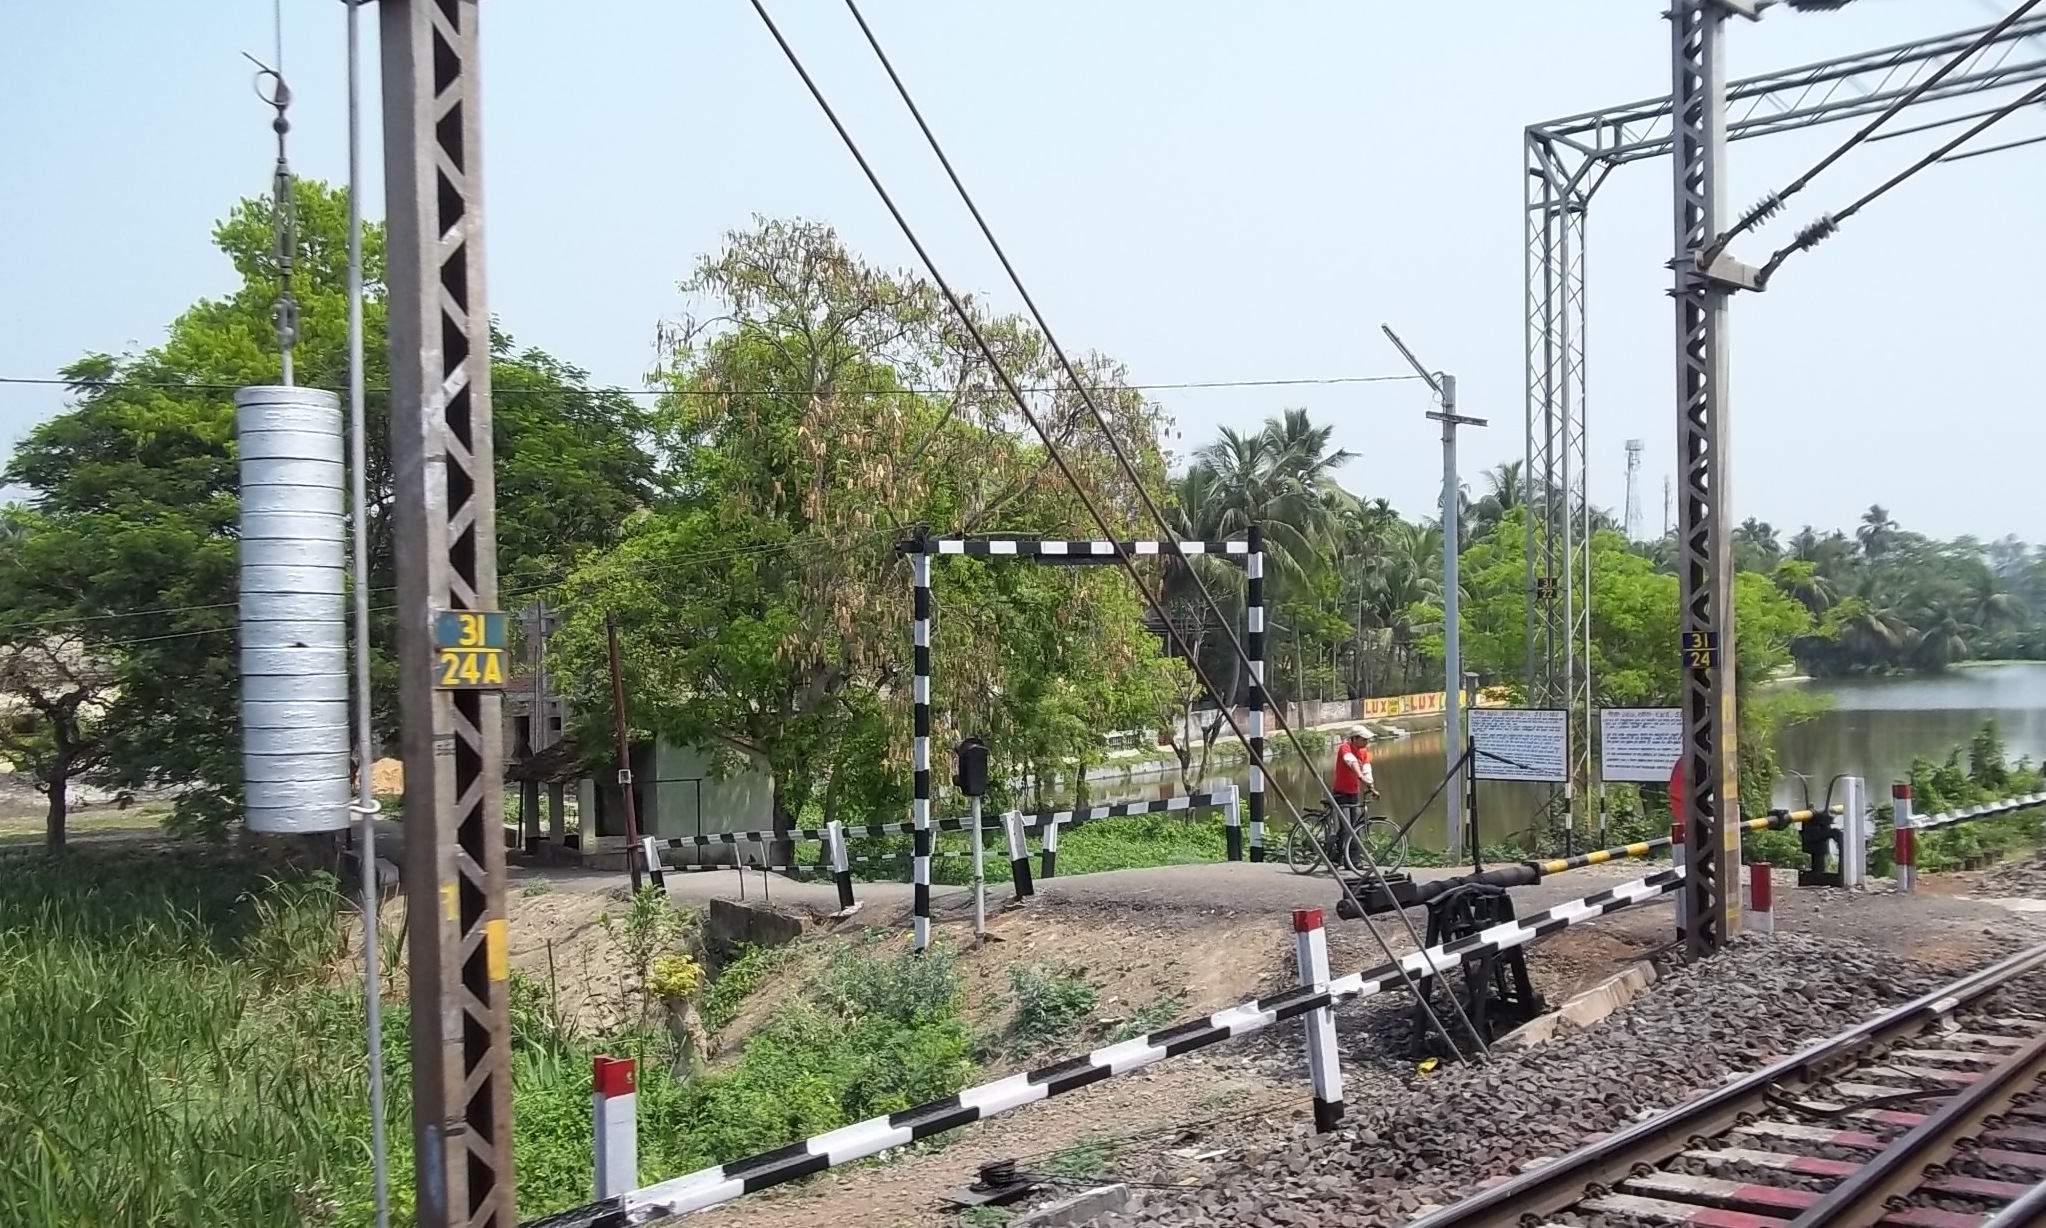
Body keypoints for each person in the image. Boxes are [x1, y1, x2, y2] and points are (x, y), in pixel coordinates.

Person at [1331, 725, 1376, 819]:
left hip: (1354, 792)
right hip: (1341, 792)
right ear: (1355, 738)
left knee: (1356, 825)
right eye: (1364, 739)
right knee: (1346, 826)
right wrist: (1360, 776)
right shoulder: (1345, 747)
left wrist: (1371, 786)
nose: (1366, 742)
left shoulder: (1363, 752)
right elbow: (1351, 761)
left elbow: (1366, 769)